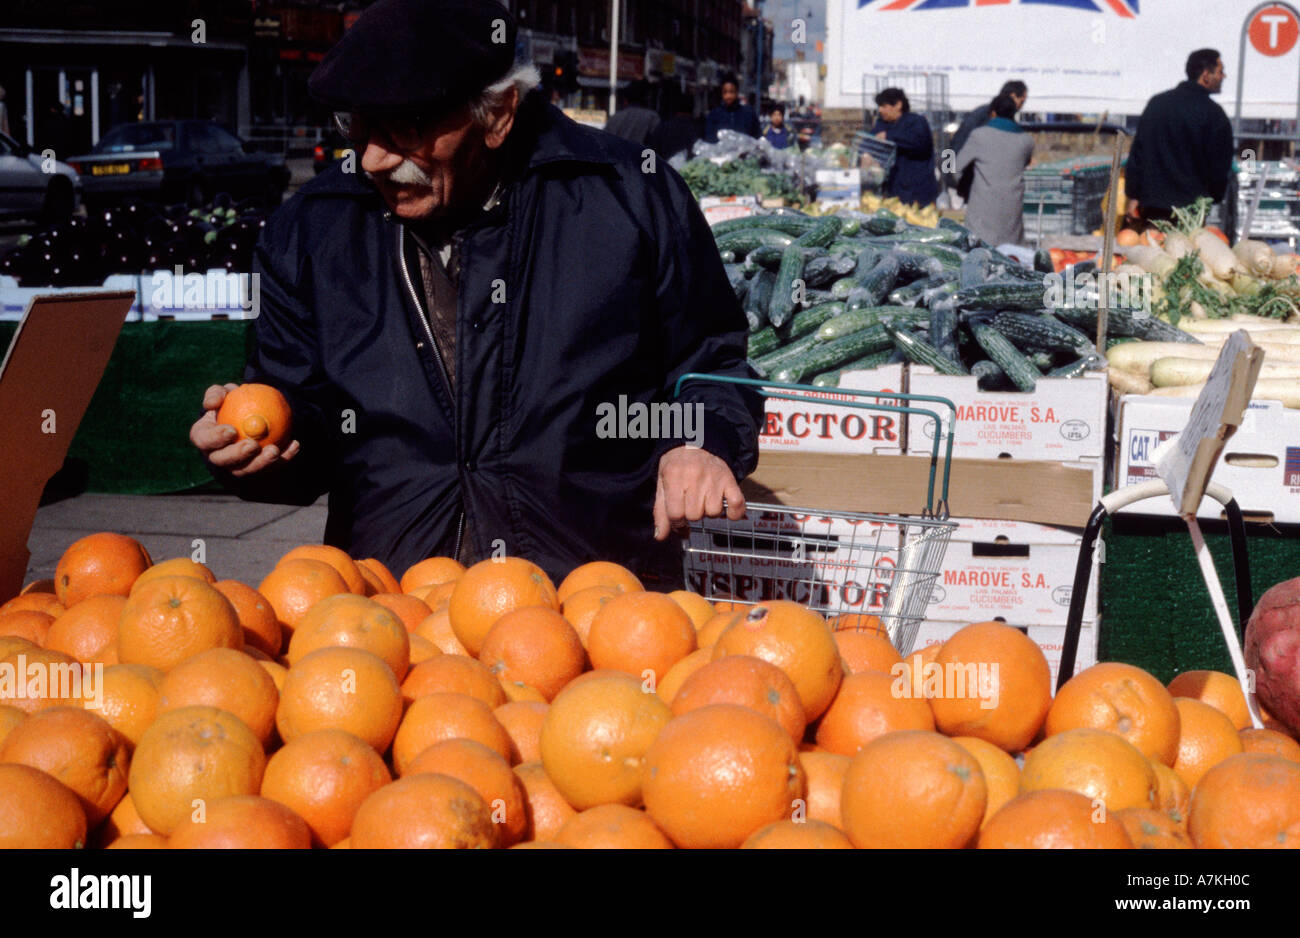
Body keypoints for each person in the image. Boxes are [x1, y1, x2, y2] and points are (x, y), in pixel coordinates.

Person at [189, 0, 762, 587]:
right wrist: (263, 451)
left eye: (406, 128)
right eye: (356, 125)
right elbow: (303, 416)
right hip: (390, 615)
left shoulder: (629, 198)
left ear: (498, 115)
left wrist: (697, 444)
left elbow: (712, 364)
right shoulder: (311, 229)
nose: (373, 158)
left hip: (589, 607)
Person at [1124, 49, 1234, 230]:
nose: (1224, 76)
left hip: (1152, 209)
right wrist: (1214, 196)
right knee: (1183, 257)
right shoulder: (1213, 114)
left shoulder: (1157, 104)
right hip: (1190, 213)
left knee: (1153, 253)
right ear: (1206, 75)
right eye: (1220, 71)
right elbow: (1220, 164)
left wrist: (1134, 195)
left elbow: (1138, 154)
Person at [954, 93, 1035, 247]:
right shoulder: (1027, 141)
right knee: (1010, 255)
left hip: (982, 208)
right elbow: (1023, 163)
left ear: (993, 113)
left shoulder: (979, 135)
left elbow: (955, 167)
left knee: (980, 251)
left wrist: (956, 180)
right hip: (1012, 209)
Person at [946, 80, 1027, 201]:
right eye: (1022, 101)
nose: (1022, 105)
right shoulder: (990, 117)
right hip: (966, 183)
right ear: (1013, 96)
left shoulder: (986, 113)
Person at [870, 88, 937, 208]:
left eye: (884, 106)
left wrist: (889, 137)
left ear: (898, 105)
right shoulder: (882, 124)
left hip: (917, 190)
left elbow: (919, 143)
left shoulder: (916, 122)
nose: (880, 110)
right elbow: (871, 140)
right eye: (879, 106)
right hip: (894, 189)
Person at [603, 79, 661, 149]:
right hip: (640, 157)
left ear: (626, 100)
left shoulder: (615, 118)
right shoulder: (652, 117)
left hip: (616, 157)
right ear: (646, 99)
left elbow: (605, 141)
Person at [703, 73, 761, 143]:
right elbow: (710, 139)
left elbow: (757, 137)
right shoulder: (714, 115)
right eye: (725, 92)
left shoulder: (749, 113)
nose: (728, 96)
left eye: (731, 92)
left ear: (737, 92)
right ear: (721, 94)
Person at [653, 85, 703, 161]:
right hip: (690, 171)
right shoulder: (699, 128)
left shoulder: (663, 127)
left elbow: (653, 153)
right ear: (692, 108)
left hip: (665, 169)